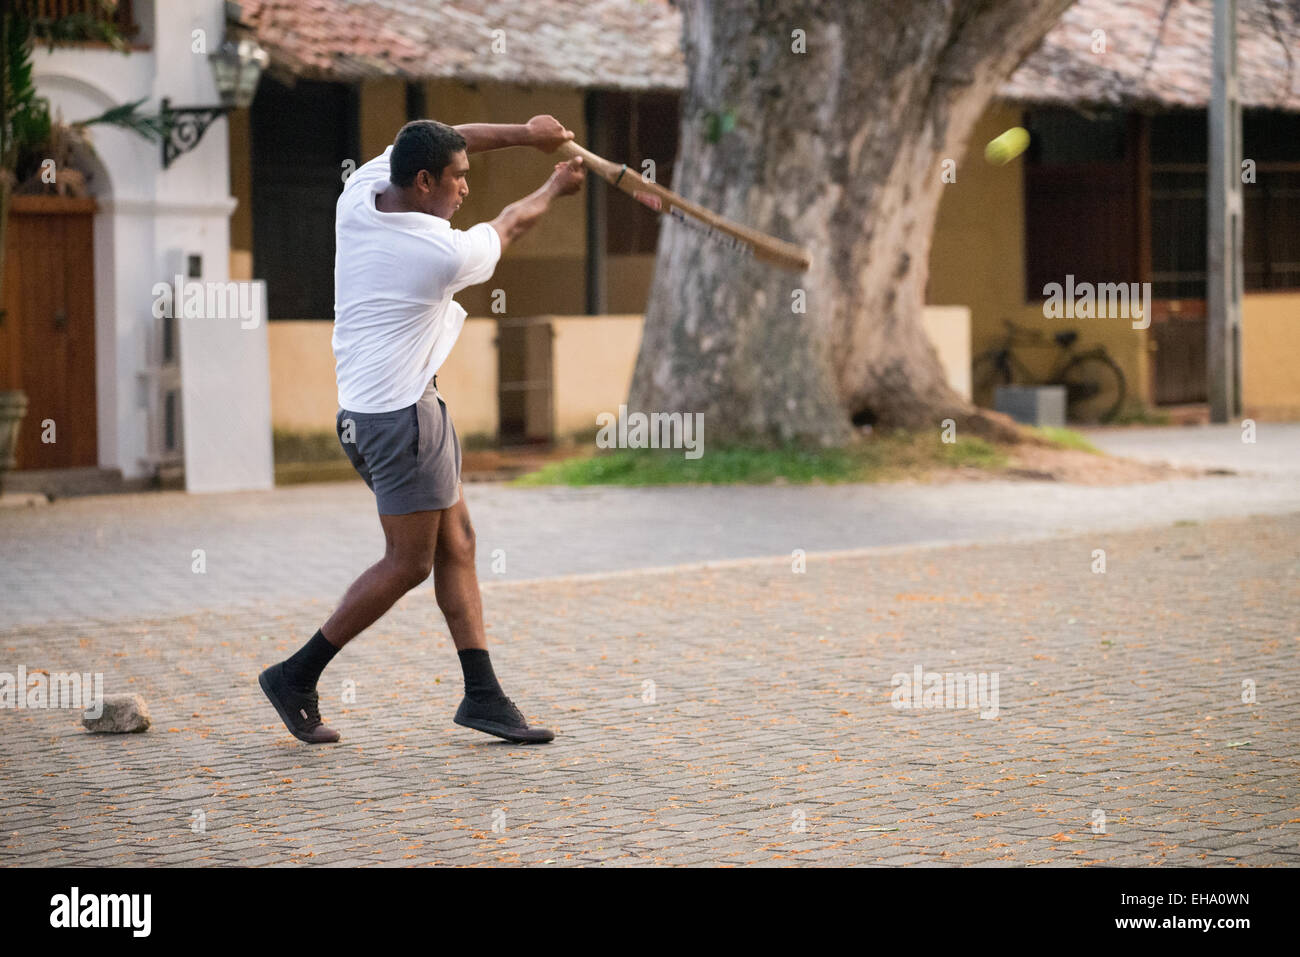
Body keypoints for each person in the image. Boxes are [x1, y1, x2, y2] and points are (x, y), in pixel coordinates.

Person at [259, 115, 585, 745]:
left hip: (371, 412)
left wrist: (526, 130)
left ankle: (483, 696)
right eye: (459, 179)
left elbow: (446, 131)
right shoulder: (438, 253)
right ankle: (296, 675)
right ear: (426, 181)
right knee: (408, 563)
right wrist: (554, 186)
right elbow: (513, 223)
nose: (467, 189)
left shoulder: (360, 195)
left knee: (458, 541)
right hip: (400, 419)